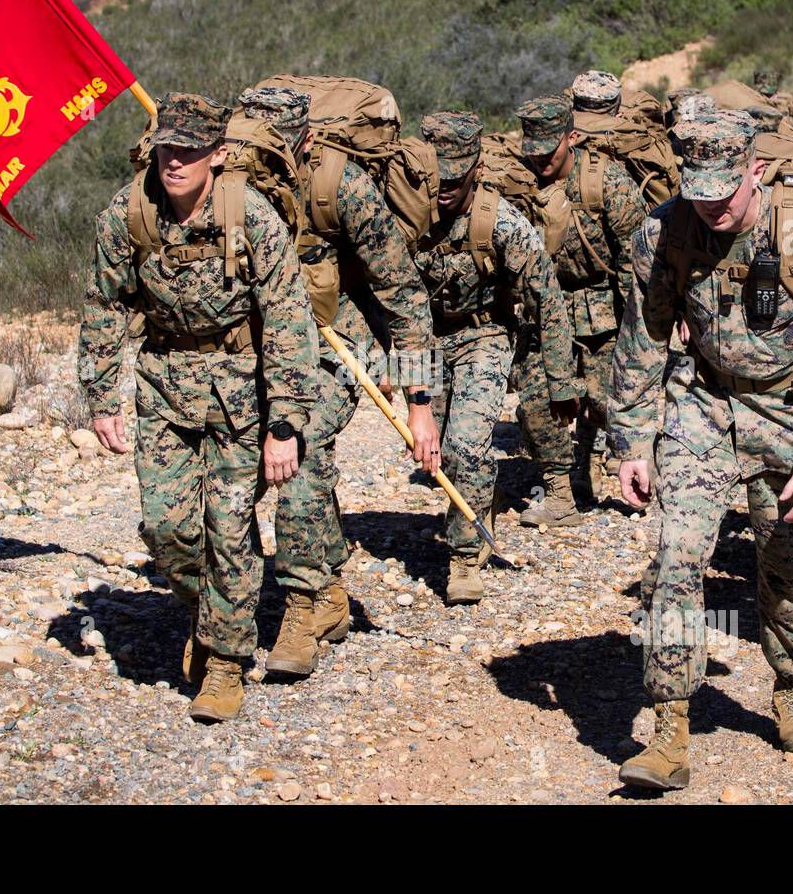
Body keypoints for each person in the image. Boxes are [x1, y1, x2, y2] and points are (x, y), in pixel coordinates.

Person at [606, 109, 793, 790]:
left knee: (788, 562)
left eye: (722, 193)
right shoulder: (663, 232)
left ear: (754, 171)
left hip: (789, 410)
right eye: (696, 192)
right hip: (701, 403)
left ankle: (790, 686)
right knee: (675, 555)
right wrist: (632, 441)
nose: (710, 209)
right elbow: (642, 339)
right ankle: (669, 726)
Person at [78, 93, 319, 722]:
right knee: (167, 530)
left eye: (190, 150)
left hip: (242, 392)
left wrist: (286, 423)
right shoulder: (128, 215)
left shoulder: (252, 217)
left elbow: (290, 321)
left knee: (229, 529)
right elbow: (104, 305)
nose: (175, 162)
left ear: (215, 154)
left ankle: (224, 662)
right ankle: (206, 608)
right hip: (162, 388)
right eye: (166, 149)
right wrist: (102, 395)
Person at [236, 86, 440, 678]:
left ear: (301, 141)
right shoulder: (225, 184)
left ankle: (303, 604)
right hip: (265, 341)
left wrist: (418, 403)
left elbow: (403, 295)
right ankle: (323, 589)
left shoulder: (340, 184)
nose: (256, 159)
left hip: (338, 335)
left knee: (299, 445)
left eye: (271, 148)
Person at [414, 111, 580, 603]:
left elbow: (547, 298)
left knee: (467, 444)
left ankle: (464, 558)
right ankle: (477, 504)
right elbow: (386, 297)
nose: (444, 188)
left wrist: (559, 381)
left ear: (475, 168)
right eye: (436, 177)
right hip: (423, 340)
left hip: (483, 336)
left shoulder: (501, 223)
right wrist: (393, 373)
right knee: (435, 450)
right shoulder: (404, 217)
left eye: (455, 177)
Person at [510, 91, 646, 524]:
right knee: (535, 404)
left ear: (571, 138)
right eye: (533, 152)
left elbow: (635, 258)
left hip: (604, 310)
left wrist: (636, 328)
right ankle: (560, 496)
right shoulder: (521, 186)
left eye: (548, 152)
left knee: (606, 404)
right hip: (543, 310)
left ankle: (620, 463)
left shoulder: (607, 182)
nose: (540, 162)